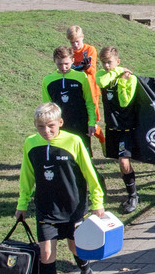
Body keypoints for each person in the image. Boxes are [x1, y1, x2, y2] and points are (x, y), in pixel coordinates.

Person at [15, 102, 106, 274]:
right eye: (41, 127)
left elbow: (89, 172)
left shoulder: (73, 142)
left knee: (75, 248)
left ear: (60, 123)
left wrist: (97, 201)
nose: (46, 131)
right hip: (46, 209)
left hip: (72, 207)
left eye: (51, 126)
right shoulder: (30, 144)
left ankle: (86, 272)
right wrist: (22, 203)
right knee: (46, 255)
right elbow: (27, 175)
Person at [97, 46, 142, 214]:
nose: (107, 66)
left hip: (126, 128)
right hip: (112, 127)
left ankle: (133, 195)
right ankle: (130, 190)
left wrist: (123, 80)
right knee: (120, 163)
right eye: (104, 63)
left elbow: (125, 103)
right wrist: (118, 72)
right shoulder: (104, 75)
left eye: (110, 63)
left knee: (124, 162)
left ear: (118, 61)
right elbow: (101, 81)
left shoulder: (130, 78)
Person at [42, 46, 98, 154]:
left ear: (72, 60)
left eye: (66, 64)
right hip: (60, 126)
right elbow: (47, 107)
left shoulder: (81, 77)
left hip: (80, 124)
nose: (63, 67)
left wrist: (92, 122)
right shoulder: (47, 80)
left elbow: (90, 102)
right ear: (54, 61)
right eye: (59, 64)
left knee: (84, 157)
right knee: (63, 157)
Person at [67, 25, 100, 111]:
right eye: (72, 42)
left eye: (77, 41)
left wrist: (86, 67)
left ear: (82, 37)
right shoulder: (69, 52)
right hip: (75, 87)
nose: (75, 45)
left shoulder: (90, 50)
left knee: (92, 116)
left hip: (90, 86)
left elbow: (92, 71)